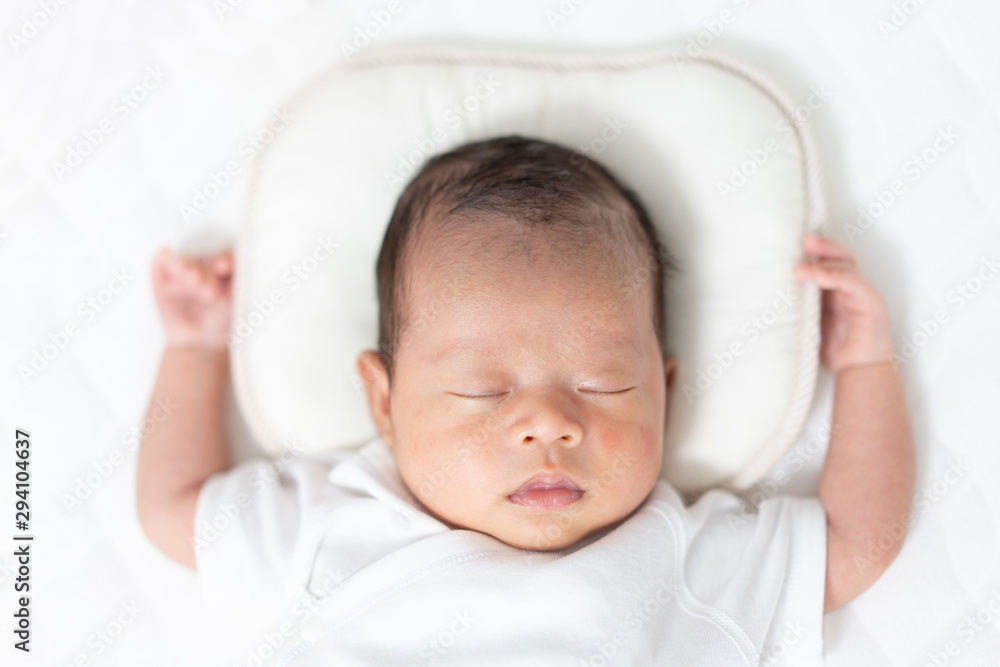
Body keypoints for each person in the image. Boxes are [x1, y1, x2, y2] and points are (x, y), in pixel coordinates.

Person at [136, 136, 915, 664]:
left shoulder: (681, 555)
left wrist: (867, 364)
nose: (549, 423)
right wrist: (195, 348)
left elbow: (855, 543)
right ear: (384, 399)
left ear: (664, 393)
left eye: (602, 384)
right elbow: (174, 506)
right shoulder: (330, 524)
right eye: (481, 388)